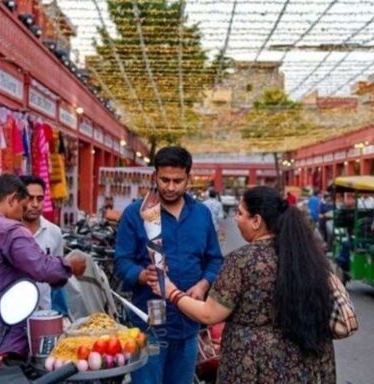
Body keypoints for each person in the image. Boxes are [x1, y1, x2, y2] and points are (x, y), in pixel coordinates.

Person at [148, 186, 336, 383]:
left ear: (256, 221)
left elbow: (209, 314)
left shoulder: (242, 260)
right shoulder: (306, 256)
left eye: (240, 213)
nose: (236, 219)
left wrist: (171, 291)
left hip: (254, 365)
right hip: (302, 364)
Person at [0, 174, 86, 382]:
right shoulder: (9, 230)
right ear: (11, 200)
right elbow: (42, 268)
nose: (22, 216)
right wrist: (70, 265)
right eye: (22, 207)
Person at [115, 146, 223, 384]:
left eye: (177, 181)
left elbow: (215, 259)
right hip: (149, 325)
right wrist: (142, 275)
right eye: (164, 180)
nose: (171, 187)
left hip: (188, 324)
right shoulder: (136, 214)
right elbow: (121, 261)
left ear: (188, 179)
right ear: (155, 176)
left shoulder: (201, 214)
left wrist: (204, 284)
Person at [20, 175, 65, 311]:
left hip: (43, 310)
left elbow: (58, 274)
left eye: (39, 199)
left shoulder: (54, 232)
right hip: (14, 311)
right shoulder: (9, 232)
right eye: (30, 198)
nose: (35, 204)